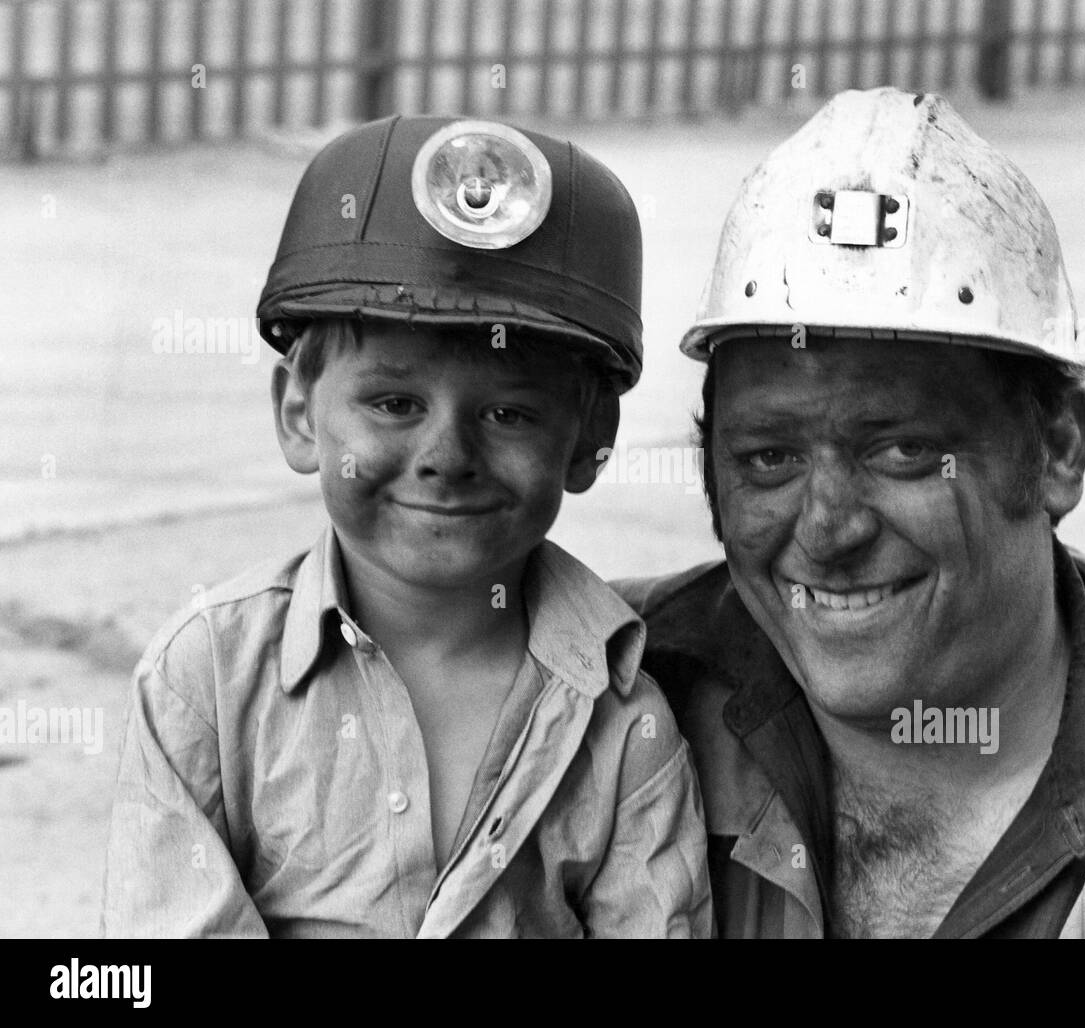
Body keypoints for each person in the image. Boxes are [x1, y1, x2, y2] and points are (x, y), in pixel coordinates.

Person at [617, 87, 1085, 938]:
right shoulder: (593, 698)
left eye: (899, 451)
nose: (828, 529)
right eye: (770, 459)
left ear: (1057, 451)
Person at [102, 116, 711, 938]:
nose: (446, 455)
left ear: (591, 438)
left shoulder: (625, 725)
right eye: (394, 403)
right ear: (297, 413)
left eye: (508, 413)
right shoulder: (206, 682)